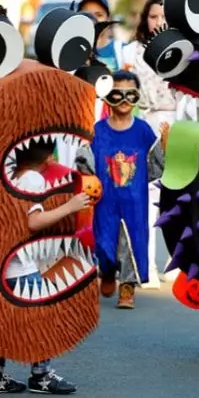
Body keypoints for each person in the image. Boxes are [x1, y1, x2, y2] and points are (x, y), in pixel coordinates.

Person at [0, 139, 85, 394]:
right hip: (20, 264)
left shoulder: (5, 175)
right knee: (40, 319)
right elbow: (33, 222)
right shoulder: (32, 180)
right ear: (49, 158)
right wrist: (69, 207)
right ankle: (41, 375)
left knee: (4, 321)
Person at [76, 70, 165, 309]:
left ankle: (127, 287)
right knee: (104, 241)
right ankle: (106, 270)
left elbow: (158, 167)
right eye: (117, 94)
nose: (124, 100)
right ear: (106, 97)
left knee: (132, 243)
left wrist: (166, 147)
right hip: (105, 201)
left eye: (130, 94)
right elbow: (85, 162)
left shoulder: (144, 131)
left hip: (134, 202)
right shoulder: (98, 130)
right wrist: (86, 171)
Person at [122, 0, 177, 289]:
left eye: (164, 17)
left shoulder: (185, 48)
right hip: (144, 123)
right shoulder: (132, 52)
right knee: (147, 196)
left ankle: (175, 262)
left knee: (177, 196)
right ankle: (146, 265)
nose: (159, 22)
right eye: (153, 16)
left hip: (178, 122)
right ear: (144, 20)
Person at [77, 0, 124, 72]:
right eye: (87, 15)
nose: (93, 20)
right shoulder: (68, 52)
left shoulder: (124, 51)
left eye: (99, 15)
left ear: (108, 19)